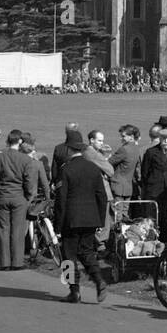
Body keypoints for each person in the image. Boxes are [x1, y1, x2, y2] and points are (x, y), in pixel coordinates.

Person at [55, 129, 109, 304]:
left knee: (68, 256)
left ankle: (74, 290)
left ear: (69, 149)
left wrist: (57, 226)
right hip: (91, 218)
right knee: (87, 253)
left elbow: (61, 200)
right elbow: (101, 196)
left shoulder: (66, 169)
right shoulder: (93, 168)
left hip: (71, 219)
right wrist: (100, 220)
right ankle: (99, 280)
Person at [0, 132, 37, 270]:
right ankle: (17, 262)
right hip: (19, 196)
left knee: (3, 229)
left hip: (2, 196)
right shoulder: (25, 159)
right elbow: (29, 182)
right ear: (20, 141)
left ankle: (4, 262)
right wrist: (28, 196)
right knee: (17, 229)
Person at [140, 129, 167, 240]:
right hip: (154, 189)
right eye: (164, 139)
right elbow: (145, 172)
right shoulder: (151, 152)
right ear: (160, 138)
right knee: (153, 215)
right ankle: (152, 237)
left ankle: (165, 237)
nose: (166, 141)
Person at [109, 126, 142, 217]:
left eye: (123, 136)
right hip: (128, 186)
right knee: (124, 213)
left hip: (118, 184)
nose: (121, 138)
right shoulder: (136, 149)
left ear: (131, 137)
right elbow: (138, 168)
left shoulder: (124, 149)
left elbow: (109, 163)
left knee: (116, 213)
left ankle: (117, 230)